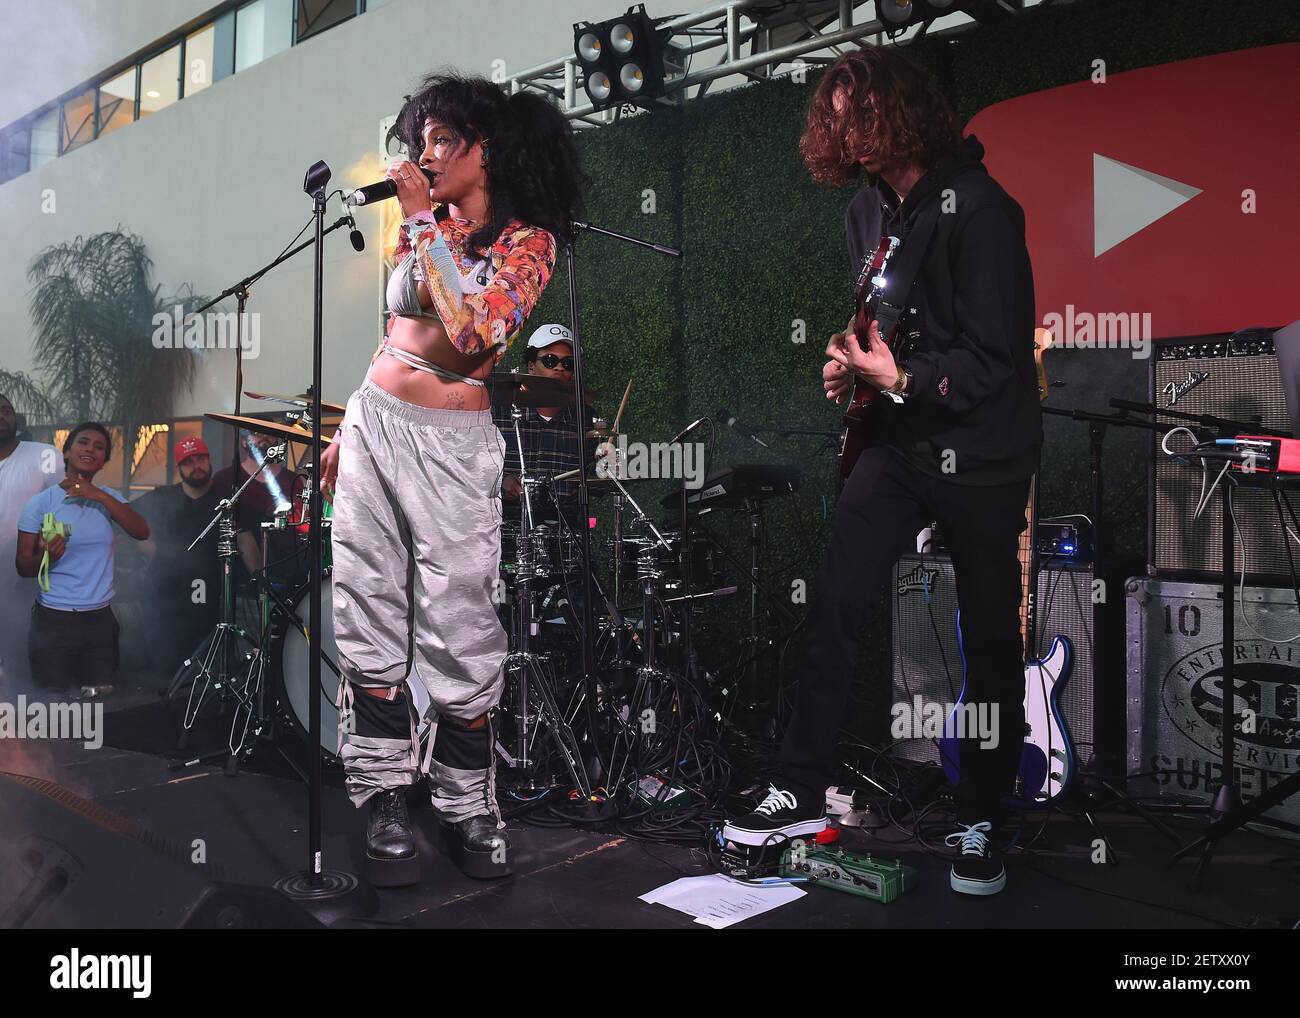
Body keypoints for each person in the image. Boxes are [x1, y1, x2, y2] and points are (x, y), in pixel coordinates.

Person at [722, 46, 1042, 896]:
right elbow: (878, 326)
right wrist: (847, 364)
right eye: (830, 119)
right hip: (897, 445)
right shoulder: (868, 213)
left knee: (987, 633)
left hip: (979, 450)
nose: (840, 132)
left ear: (897, 112)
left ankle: (983, 811)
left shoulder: (982, 210)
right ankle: (797, 780)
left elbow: (996, 360)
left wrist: (899, 378)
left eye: (853, 114)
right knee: (836, 599)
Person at [318, 73, 587, 885]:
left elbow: (472, 330)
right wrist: (345, 428)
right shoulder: (422, 227)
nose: (424, 156)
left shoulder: (528, 242)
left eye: (441, 141)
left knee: (461, 622)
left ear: (486, 148)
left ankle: (468, 803)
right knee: (368, 604)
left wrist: (424, 220)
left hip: (453, 440)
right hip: (377, 420)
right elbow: (399, 331)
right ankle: (385, 796)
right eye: (417, 143)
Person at [15, 423, 150, 699]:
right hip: (53, 622)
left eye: (99, 447)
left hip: (99, 621)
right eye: (83, 442)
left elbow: (141, 531)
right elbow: (23, 567)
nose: (90, 449)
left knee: (100, 702)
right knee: (53, 704)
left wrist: (96, 494)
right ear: (67, 451)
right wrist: (48, 557)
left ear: (103, 461)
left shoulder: (110, 499)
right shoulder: (40, 503)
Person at [133, 436, 223, 678]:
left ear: (209, 460)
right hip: (165, 590)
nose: (197, 466)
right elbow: (126, 523)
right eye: (189, 462)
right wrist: (154, 551)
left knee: (206, 663)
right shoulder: (161, 497)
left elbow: (245, 541)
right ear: (178, 468)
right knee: (165, 663)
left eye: (201, 459)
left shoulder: (226, 499)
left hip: (211, 595)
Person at [0, 394, 61, 686]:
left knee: (18, 632)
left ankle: (23, 699)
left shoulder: (43, 454)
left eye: (6, 410)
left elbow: (64, 502)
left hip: (24, 556)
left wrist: (45, 546)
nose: (1, 416)